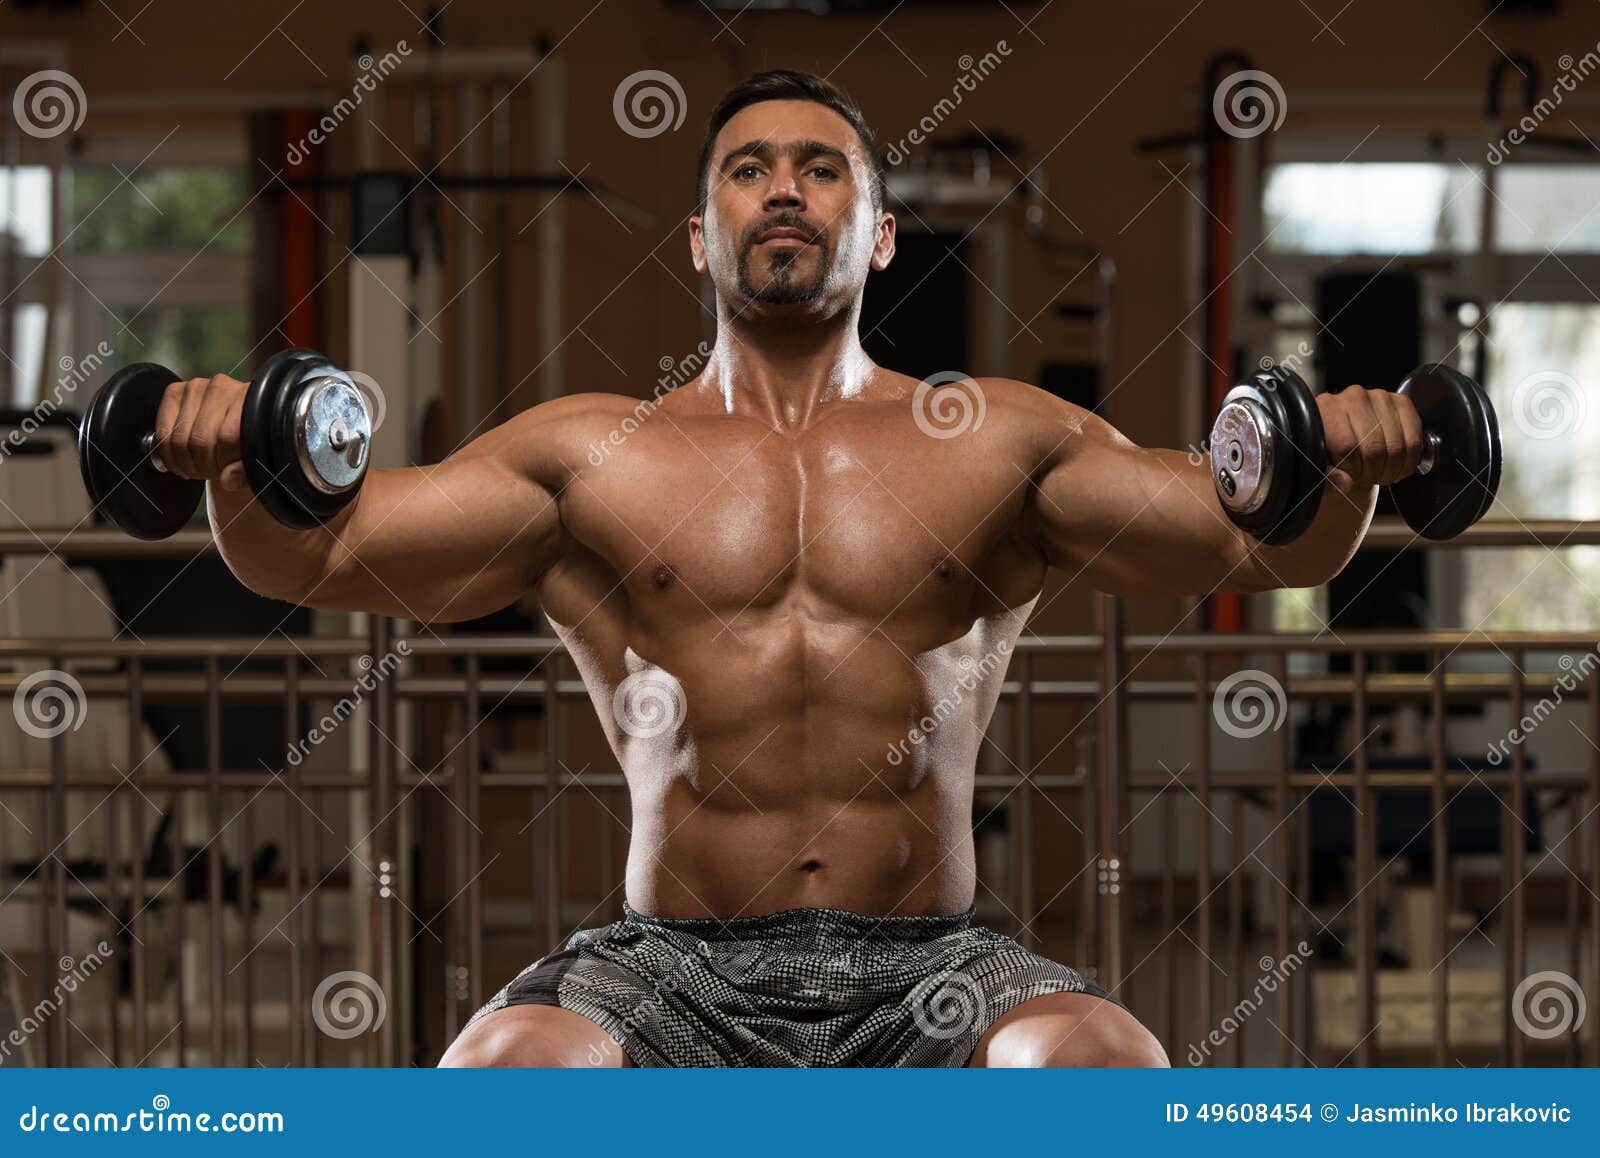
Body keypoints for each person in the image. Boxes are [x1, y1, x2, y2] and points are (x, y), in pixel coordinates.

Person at [159, 70, 1424, 1067]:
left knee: (1102, 1065)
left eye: (823, 171)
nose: (783, 191)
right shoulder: (589, 453)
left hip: (930, 962)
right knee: (500, 1076)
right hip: (667, 968)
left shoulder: (998, 440)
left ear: (878, 234)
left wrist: (1343, 478)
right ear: (698, 240)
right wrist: (231, 468)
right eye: (748, 170)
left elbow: (1252, 540)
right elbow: (314, 554)